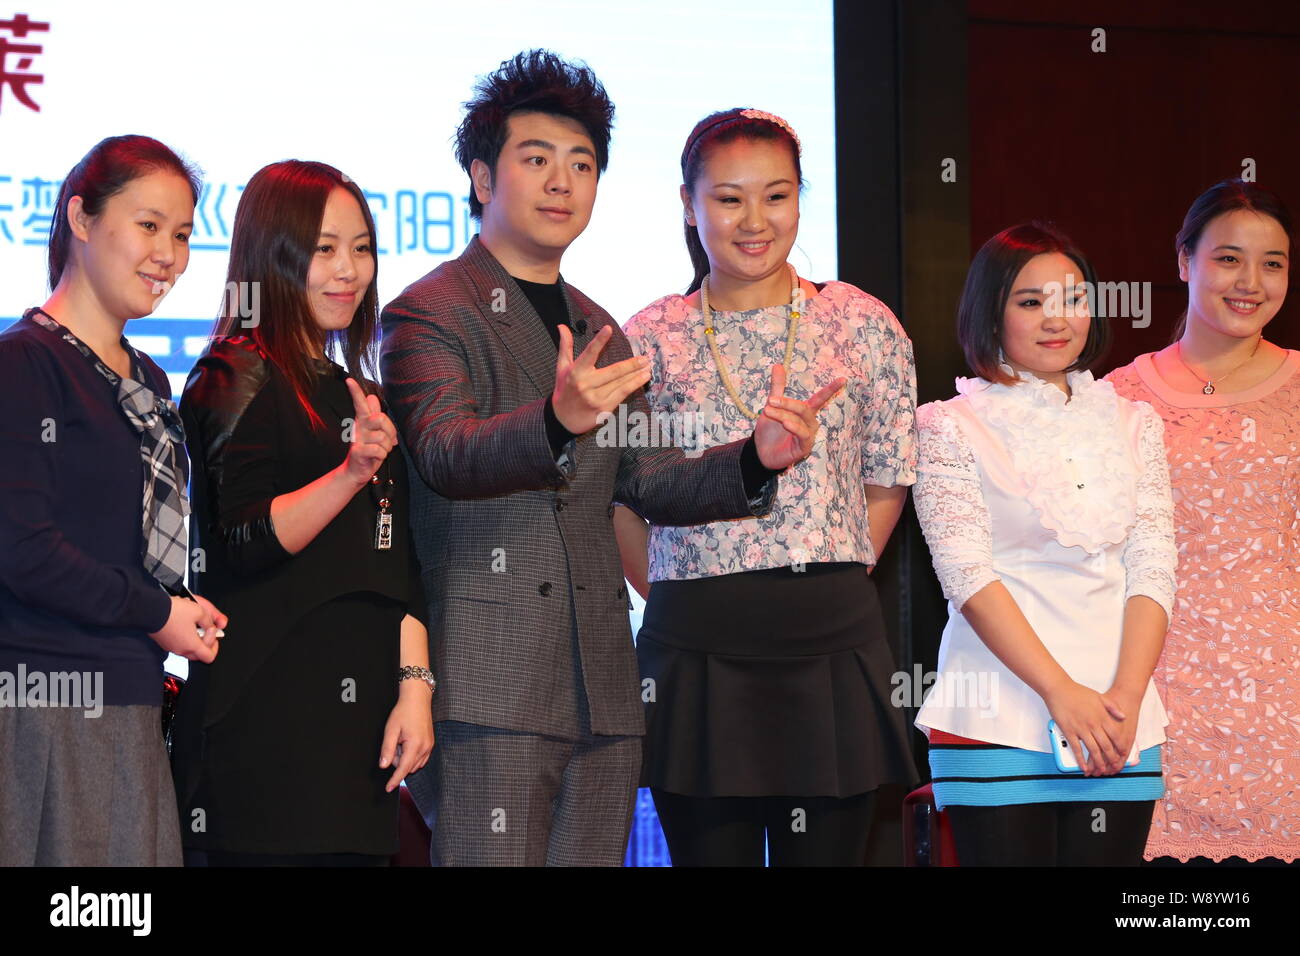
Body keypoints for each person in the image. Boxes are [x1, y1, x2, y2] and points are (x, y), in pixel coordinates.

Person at [381, 52, 837, 866]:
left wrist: (755, 461)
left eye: (582, 164)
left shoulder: (598, 325)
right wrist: (555, 422)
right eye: (536, 160)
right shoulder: (428, 312)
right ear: (483, 177)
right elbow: (448, 453)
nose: (562, 181)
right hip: (490, 684)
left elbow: (649, 482)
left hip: (602, 687)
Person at [612, 107, 917, 867]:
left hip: (831, 641)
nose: (755, 221)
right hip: (695, 647)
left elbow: (887, 478)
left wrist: (826, 572)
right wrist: (684, 592)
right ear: (689, 204)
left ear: (800, 199)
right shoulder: (647, 336)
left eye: (776, 196)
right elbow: (622, 499)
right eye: (728, 198)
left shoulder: (862, 322)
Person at [171, 160, 433, 866]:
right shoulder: (234, 372)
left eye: (362, 247)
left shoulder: (360, 390)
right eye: (323, 249)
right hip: (266, 713)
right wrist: (350, 474)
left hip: (362, 726)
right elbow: (242, 539)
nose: (349, 269)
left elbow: (397, 564)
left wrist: (415, 691)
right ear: (272, 254)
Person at [912, 222, 1178, 866]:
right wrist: (1061, 693)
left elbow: (1153, 565)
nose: (1056, 319)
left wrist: (1126, 696)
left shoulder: (1134, 421)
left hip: (1122, 721)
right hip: (997, 713)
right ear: (990, 312)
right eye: (1030, 301)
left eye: (1073, 298)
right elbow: (967, 574)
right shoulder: (947, 425)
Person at [0, 135, 224, 866]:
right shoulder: (25, 364)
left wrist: (181, 603)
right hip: (45, 705)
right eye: (149, 225)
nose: (169, 254)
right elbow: (22, 550)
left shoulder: (152, 382)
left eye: (184, 234)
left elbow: (116, 543)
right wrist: (159, 612)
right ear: (82, 219)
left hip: (132, 706)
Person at [1107, 179, 1298, 864]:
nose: (1251, 282)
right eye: (1228, 259)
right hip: (1157, 694)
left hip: (1287, 703)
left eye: (1272, 263)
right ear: (1184, 262)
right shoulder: (1117, 401)